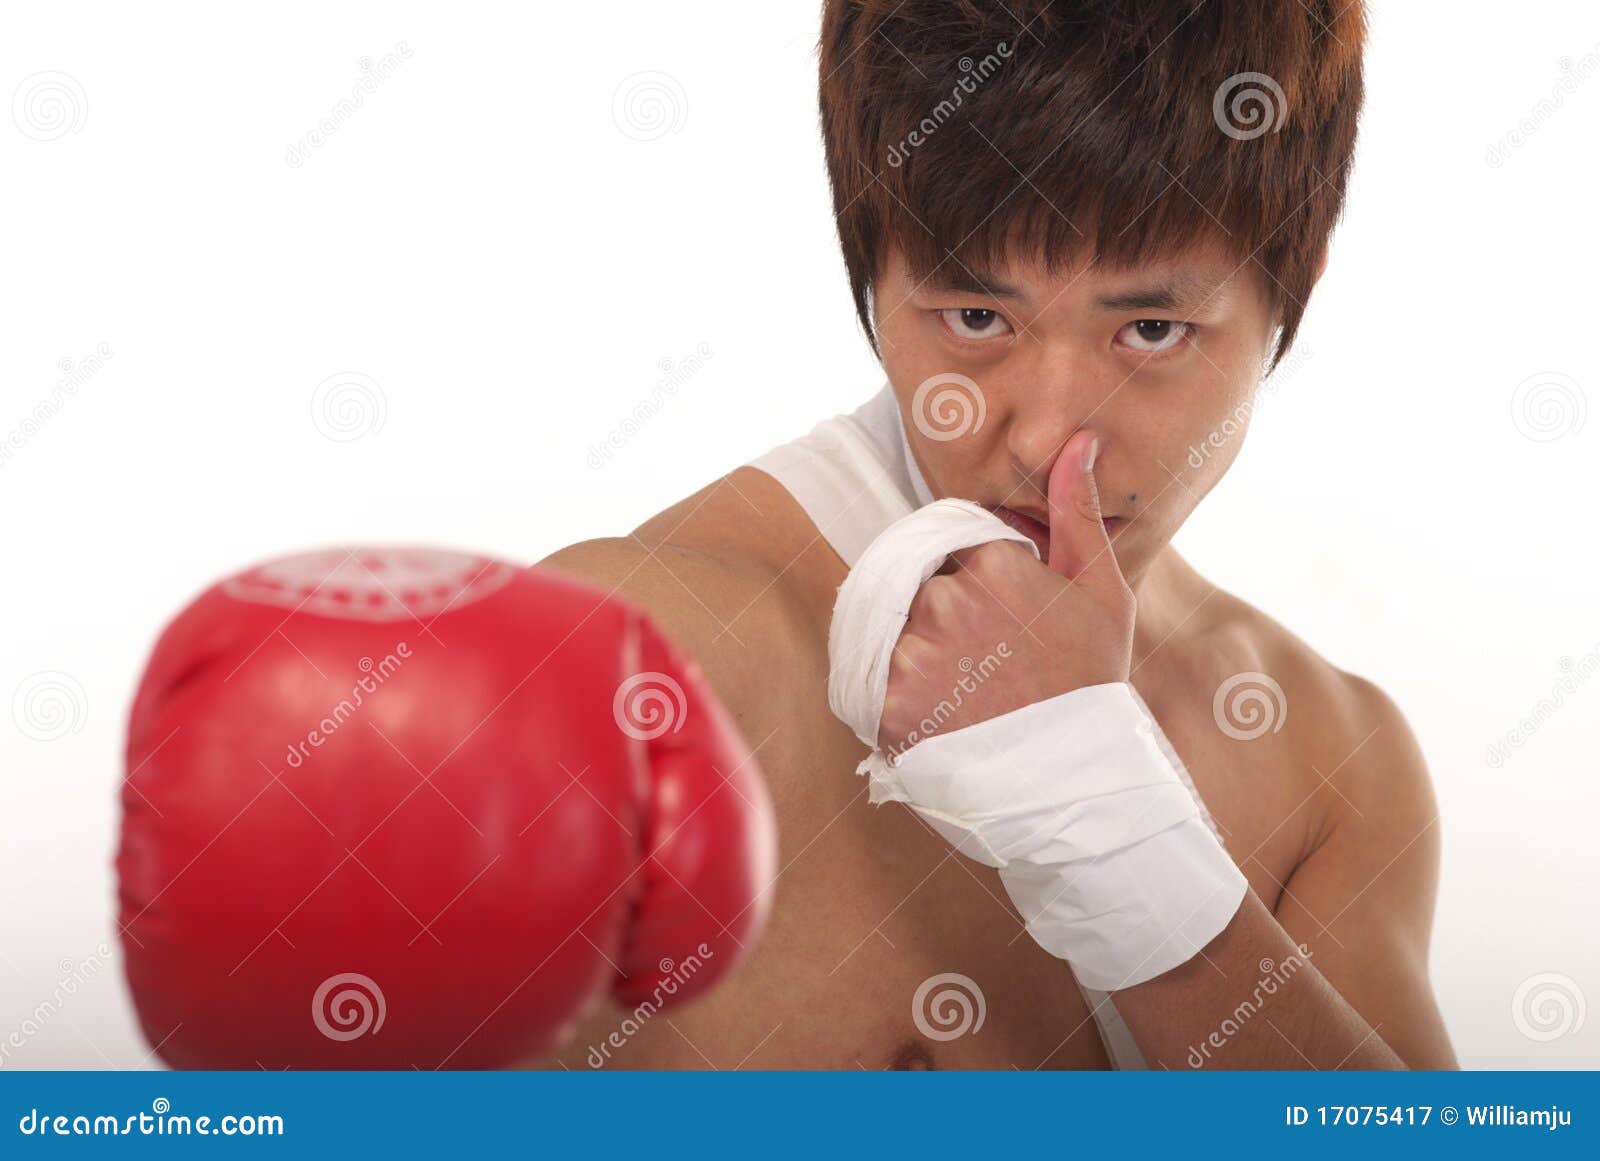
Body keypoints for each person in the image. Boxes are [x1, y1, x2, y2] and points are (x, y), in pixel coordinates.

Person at [538, 0, 1458, 1069]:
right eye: (975, 318)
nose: (1047, 438)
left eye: (1150, 330)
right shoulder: (632, 668)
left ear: (1292, 295)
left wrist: (1110, 828)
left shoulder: (1331, 764)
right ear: (868, 282)